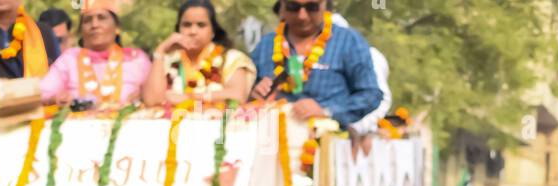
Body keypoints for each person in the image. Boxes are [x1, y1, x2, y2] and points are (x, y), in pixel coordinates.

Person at [249, 1, 382, 129]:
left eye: (312, 7)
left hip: (326, 142)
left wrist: (327, 111)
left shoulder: (348, 41)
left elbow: (370, 94)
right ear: (281, 6)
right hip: (272, 140)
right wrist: (254, 94)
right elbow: (242, 98)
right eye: (293, 6)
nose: (302, 15)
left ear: (326, 5)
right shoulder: (267, 44)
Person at [142, 1, 256, 106]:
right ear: (178, 29)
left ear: (213, 31)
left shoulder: (231, 58)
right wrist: (160, 50)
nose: (193, 31)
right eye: (187, 25)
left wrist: (188, 98)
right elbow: (151, 101)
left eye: (201, 25)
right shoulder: (167, 60)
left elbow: (236, 96)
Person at [40, 0, 151, 109]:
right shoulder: (69, 59)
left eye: (101, 18)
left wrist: (141, 98)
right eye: (87, 20)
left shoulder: (136, 59)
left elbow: (156, 98)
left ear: (117, 27)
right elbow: (42, 93)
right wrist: (55, 98)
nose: (94, 25)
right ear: (81, 30)